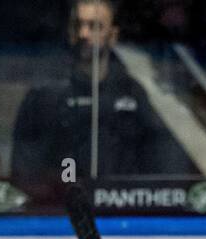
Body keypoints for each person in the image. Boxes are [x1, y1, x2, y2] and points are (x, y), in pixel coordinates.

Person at [10, 0, 194, 184]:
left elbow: (163, 160)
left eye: (94, 26)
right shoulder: (45, 94)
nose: (83, 33)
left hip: (122, 206)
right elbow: (25, 169)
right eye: (78, 25)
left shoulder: (134, 93)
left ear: (112, 36)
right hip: (60, 206)